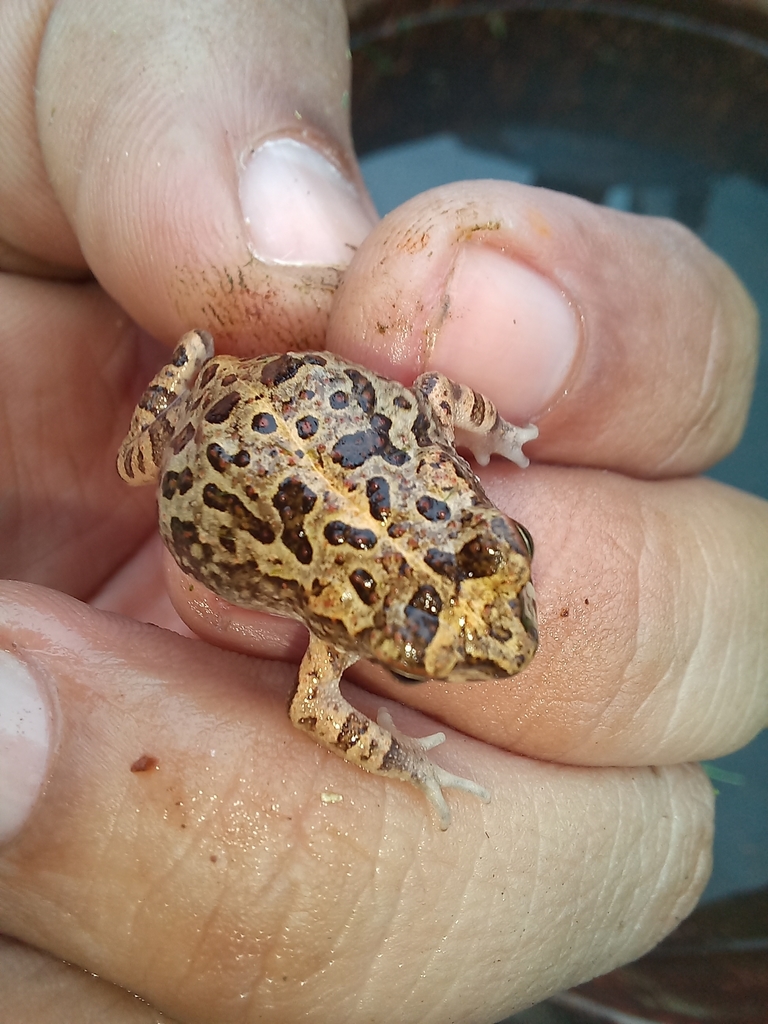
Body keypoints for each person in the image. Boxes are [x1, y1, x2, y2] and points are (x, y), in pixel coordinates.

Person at [0, 2, 765, 1021]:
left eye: (502, 546)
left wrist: (486, 435)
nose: (510, 621)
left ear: (474, 514)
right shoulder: (338, 620)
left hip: (237, 392)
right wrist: (397, 753)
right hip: (216, 438)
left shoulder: (409, 520)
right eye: (414, 651)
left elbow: (440, 409)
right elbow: (322, 699)